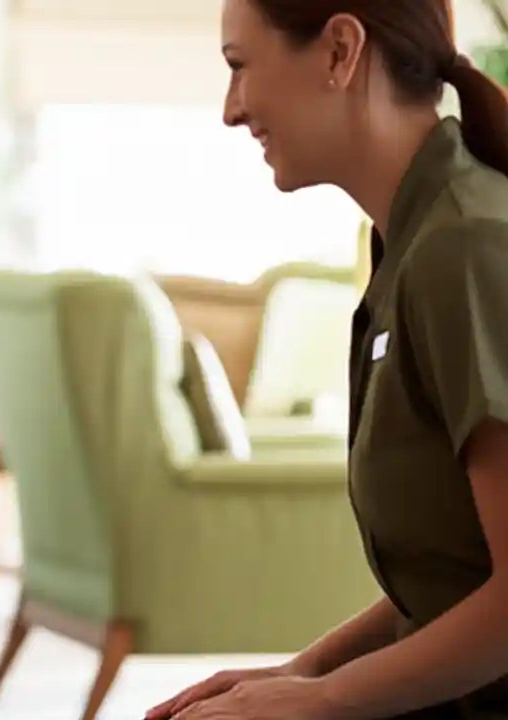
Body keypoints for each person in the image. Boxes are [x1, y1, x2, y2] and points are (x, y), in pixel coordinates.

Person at [146, 1, 508, 718]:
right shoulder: (411, 243)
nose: (230, 109)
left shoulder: (463, 248)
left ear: (341, 50)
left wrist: (324, 700)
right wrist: (301, 673)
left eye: (239, 66)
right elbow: (450, 576)